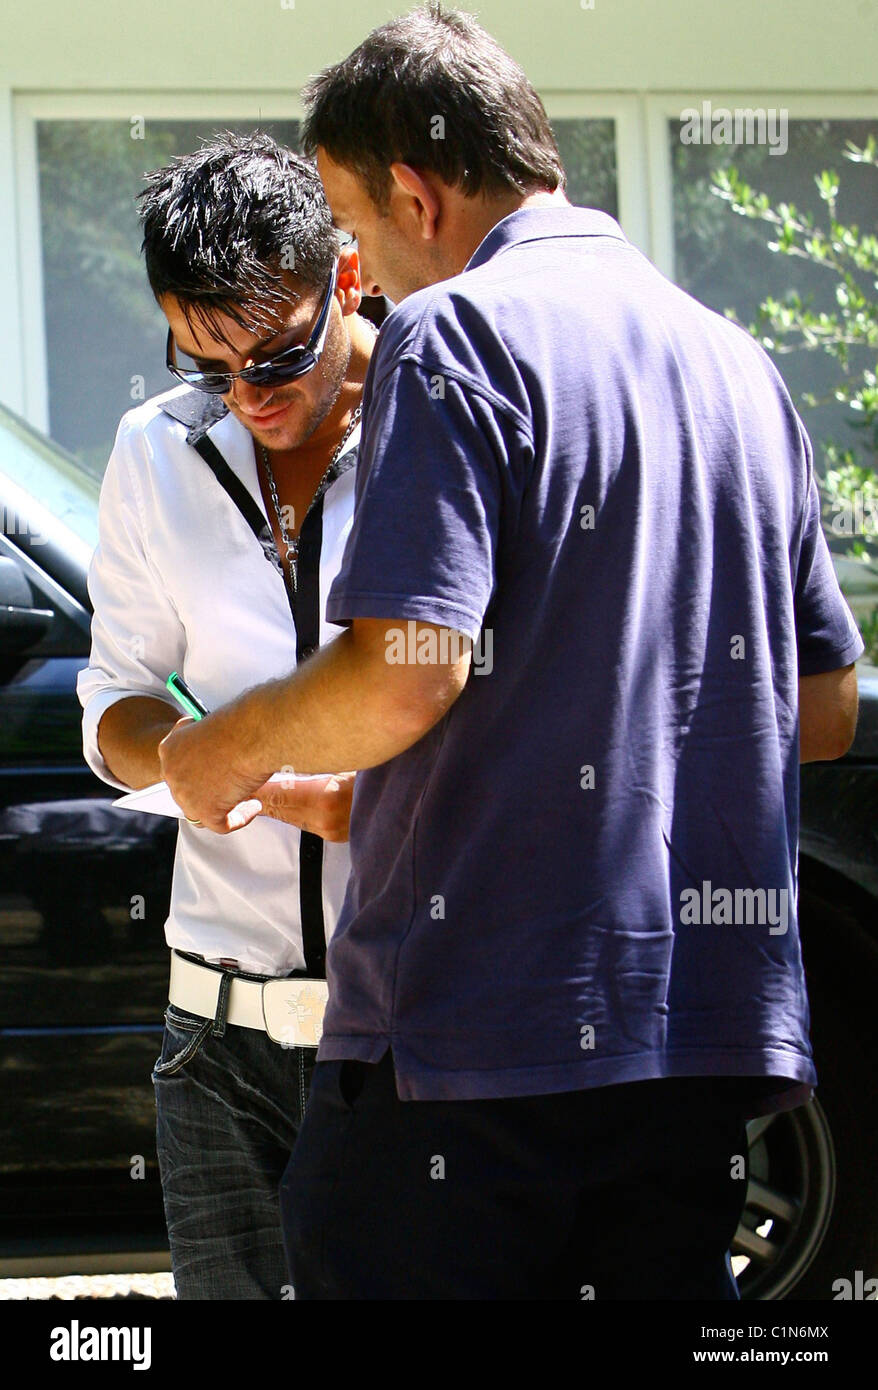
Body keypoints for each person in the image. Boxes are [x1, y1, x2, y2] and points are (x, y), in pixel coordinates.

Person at [157, 7, 863, 1300]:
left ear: (415, 191)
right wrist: (395, 798)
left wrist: (222, 743)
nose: (358, 267)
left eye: (353, 229)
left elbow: (405, 669)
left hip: (472, 1048)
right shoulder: (737, 364)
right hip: (695, 1042)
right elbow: (816, 709)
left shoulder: (459, 334)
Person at [76, 130, 378, 1299]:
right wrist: (177, 754)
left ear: (346, 277)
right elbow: (115, 696)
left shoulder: (442, 430)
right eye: (207, 363)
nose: (248, 394)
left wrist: (379, 803)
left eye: (276, 353)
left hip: (402, 1034)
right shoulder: (151, 452)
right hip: (212, 1037)